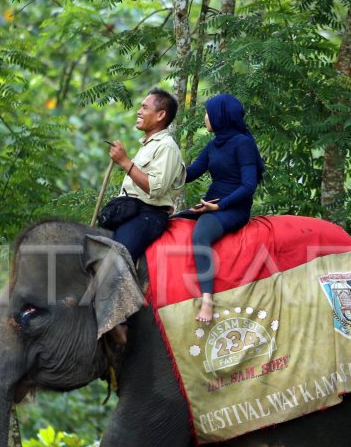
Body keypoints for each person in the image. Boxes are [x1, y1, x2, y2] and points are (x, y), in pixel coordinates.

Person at [182, 93, 265, 323]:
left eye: (208, 113)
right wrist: (158, 165)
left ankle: (208, 300)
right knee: (176, 221)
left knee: (200, 235)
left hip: (233, 208)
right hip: (212, 204)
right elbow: (189, 174)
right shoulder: (213, 146)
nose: (205, 118)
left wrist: (219, 207)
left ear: (220, 116)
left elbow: (248, 186)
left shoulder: (243, 143)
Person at [107, 88, 185, 265]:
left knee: (116, 263)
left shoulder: (167, 146)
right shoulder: (148, 145)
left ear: (160, 115)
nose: (138, 111)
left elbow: (155, 188)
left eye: (145, 107)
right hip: (129, 210)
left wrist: (125, 161)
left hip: (148, 215)